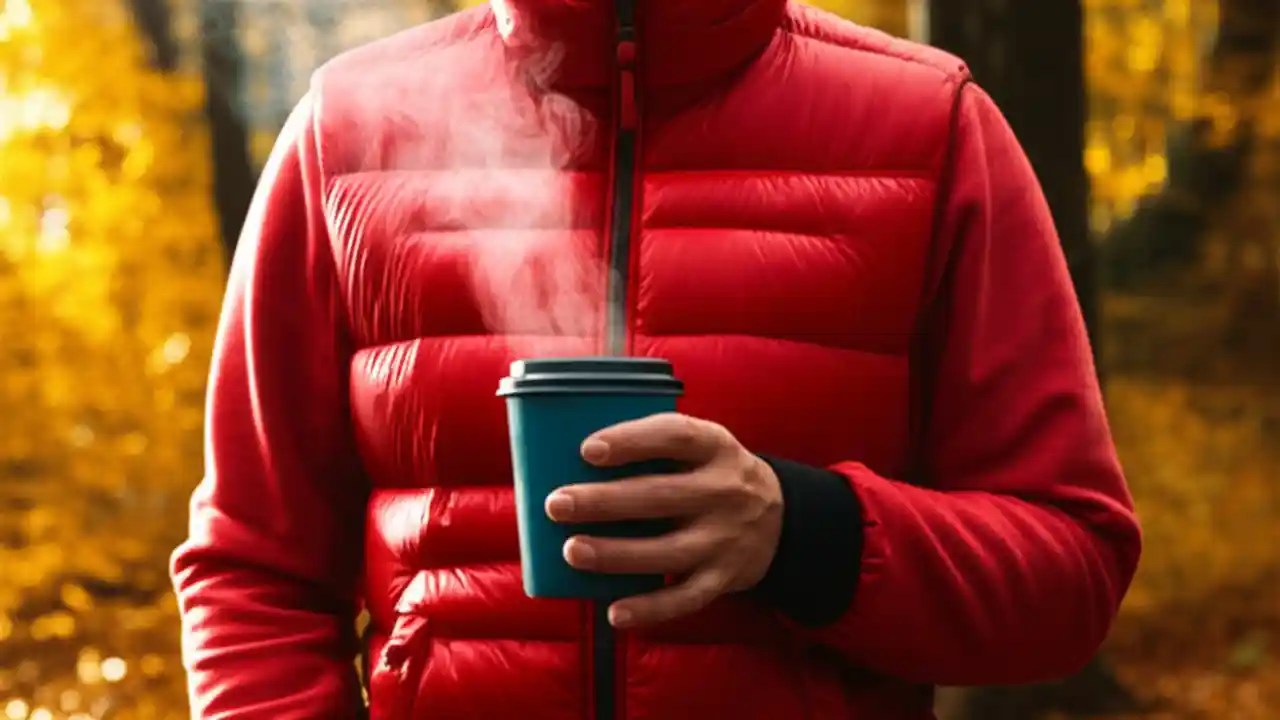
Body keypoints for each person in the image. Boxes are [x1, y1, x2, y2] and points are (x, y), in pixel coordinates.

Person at [171, 0, 1143, 718]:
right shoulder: (351, 130)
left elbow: (1068, 574)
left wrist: (801, 533)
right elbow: (252, 568)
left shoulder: (928, 127)